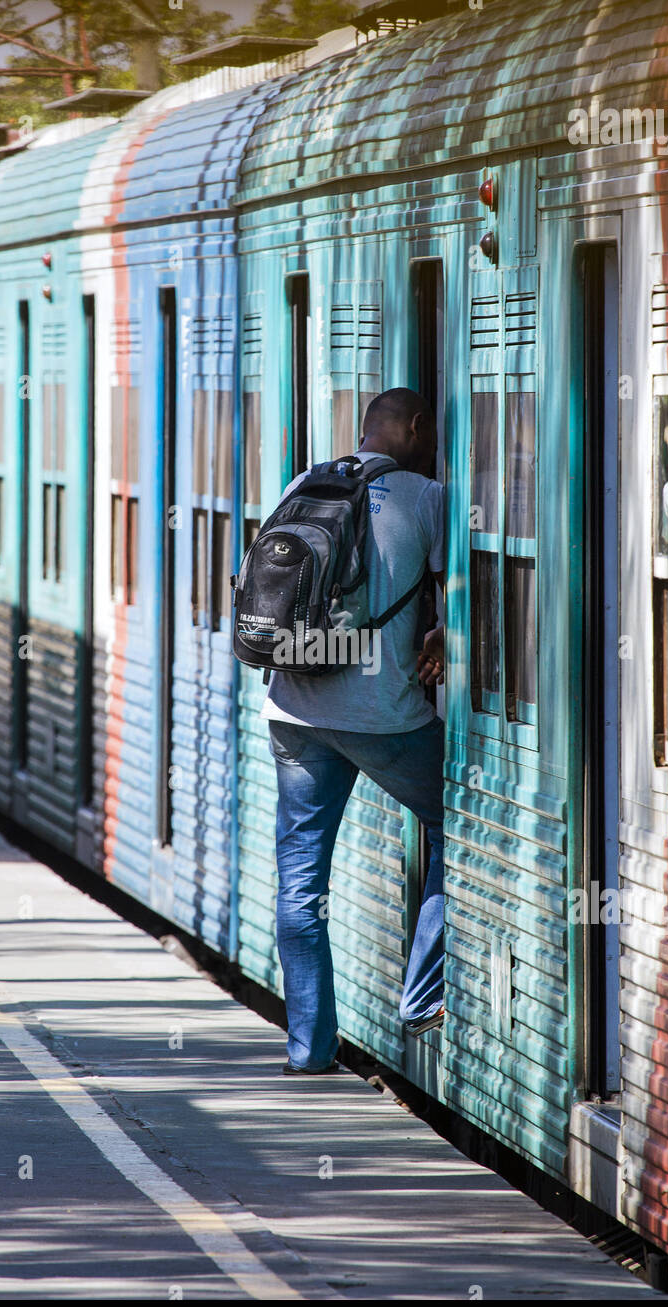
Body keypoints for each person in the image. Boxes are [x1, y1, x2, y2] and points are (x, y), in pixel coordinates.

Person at [261, 387, 446, 1075]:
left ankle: (309, 1049)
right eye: (434, 433)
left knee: (300, 886)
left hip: (294, 709)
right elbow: (461, 582)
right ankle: (421, 996)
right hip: (382, 719)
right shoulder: (429, 496)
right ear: (418, 427)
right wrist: (446, 628)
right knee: (461, 828)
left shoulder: (306, 482)